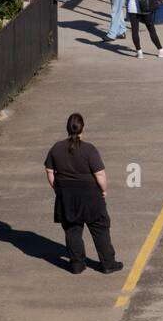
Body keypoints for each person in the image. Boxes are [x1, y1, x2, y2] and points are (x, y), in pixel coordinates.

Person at [44, 113, 122, 275]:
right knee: (100, 228)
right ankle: (108, 263)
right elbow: (100, 174)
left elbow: (50, 171)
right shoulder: (89, 149)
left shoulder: (56, 148)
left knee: (72, 230)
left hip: (66, 196)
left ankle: (77, 265)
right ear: (82, 128)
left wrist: (57, 189)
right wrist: (104, 190)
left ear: (67, 128)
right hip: (90, 195)